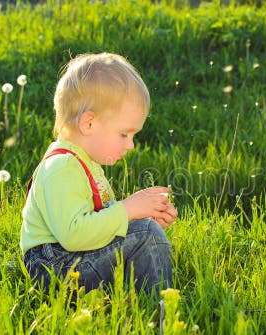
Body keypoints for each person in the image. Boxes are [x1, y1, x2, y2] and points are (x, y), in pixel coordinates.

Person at [20, 52, 177, 294]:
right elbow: (73, 235)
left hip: (71, 260)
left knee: (145, 230)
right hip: (55, 269)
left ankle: (141, 296)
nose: (131, 145)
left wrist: (138, 218)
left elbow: (101, 225)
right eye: (124, 134)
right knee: (145, 233)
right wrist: (128, 211)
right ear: (89, 124)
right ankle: (161, 307)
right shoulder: (61, 167)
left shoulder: (86, 164)